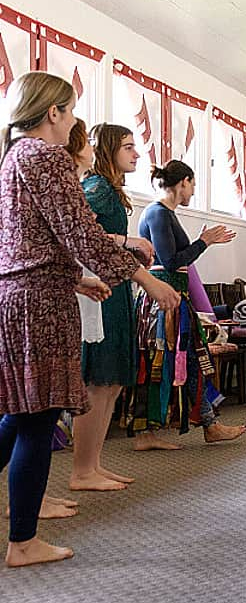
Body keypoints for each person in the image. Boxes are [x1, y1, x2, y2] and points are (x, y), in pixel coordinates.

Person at [0, 72, 178, 567]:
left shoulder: (14, 157)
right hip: (39, 307)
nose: (75, 120)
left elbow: (30, 243)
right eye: (71, 110)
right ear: (53, 112)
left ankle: (23, 535)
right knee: (36, 419)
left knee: (18, 415)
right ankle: (23, 543)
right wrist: (147, 279)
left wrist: (78, 281)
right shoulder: (46, 158)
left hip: (22, 297)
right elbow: (82, 235)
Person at [130, 160, 245, 447]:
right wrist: (203, 241)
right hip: (162, 304)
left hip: (174, 300)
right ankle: (158, 431)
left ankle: (208, 423)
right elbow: (170, 261)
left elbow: (177, 258)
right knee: (167, 363)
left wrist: (201, 243)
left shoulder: (165, 214)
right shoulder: (158, 213)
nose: (193, 190)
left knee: (189, 361)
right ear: (183, 182)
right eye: (192, 184)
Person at [68, 123, 158, 490]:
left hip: (116, 287)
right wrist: (127, 240)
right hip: (98, 289)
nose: (136, 154)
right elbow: (75, 231)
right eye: (127, 147)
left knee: (113, 382)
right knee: (98, 379)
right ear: (106, 150)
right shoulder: (97, 188)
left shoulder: (109, 189)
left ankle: (94, 463)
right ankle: (81, 470)